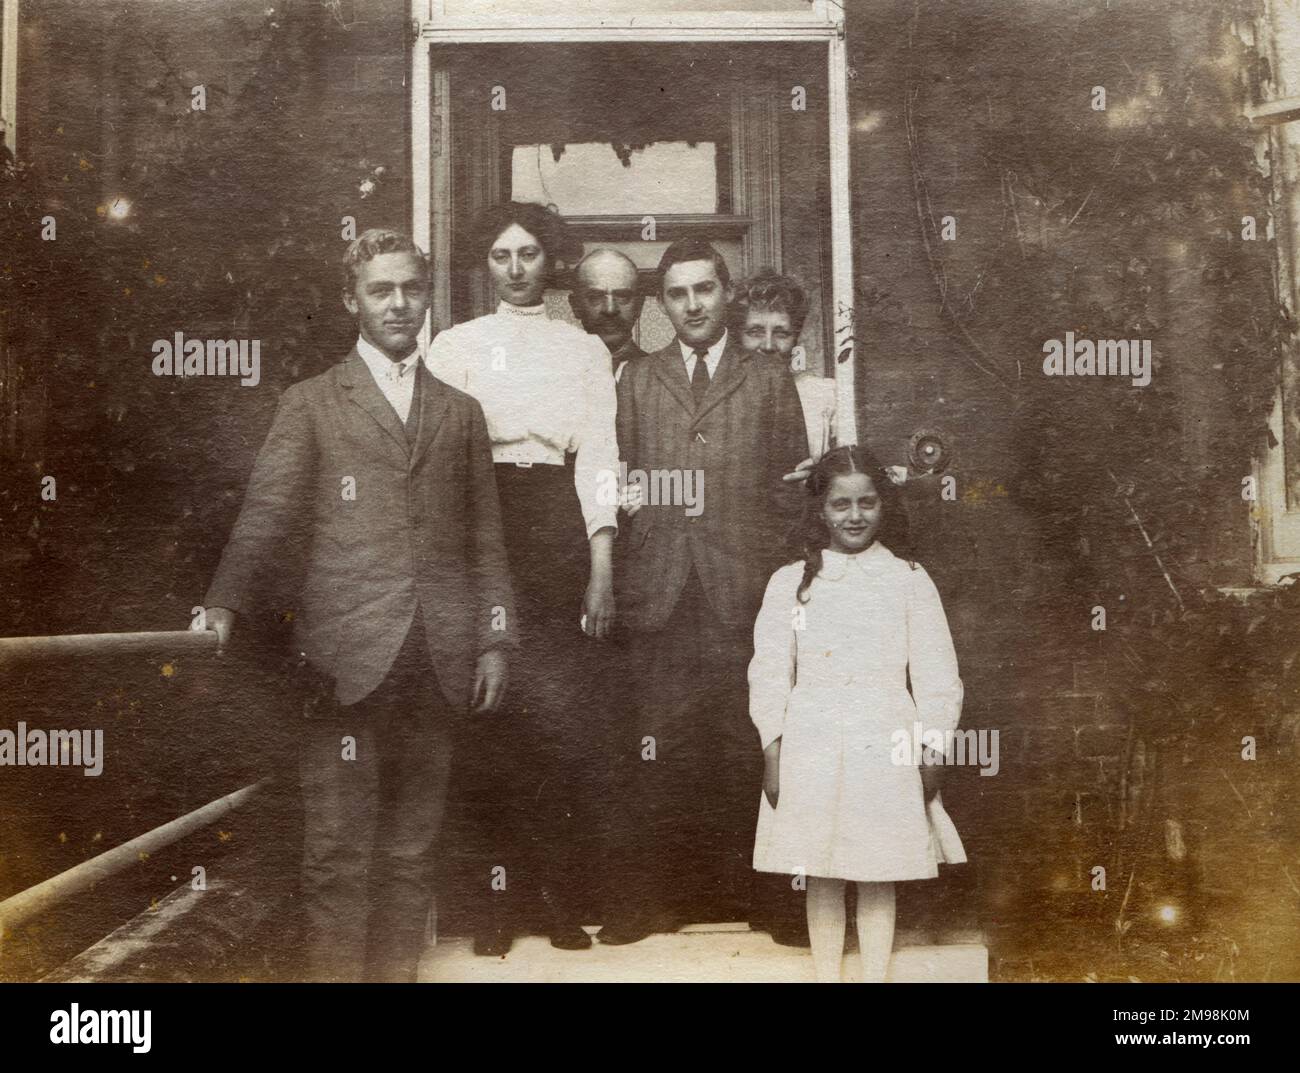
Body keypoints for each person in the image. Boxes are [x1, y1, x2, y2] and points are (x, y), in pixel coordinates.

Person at [197, 228, 515, 983]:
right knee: (338, 852)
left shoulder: (461, 412)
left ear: (426, 295)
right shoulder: (310, 402)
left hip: (440, 657)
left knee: (412, 851)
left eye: (410, 287)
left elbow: (487, 538)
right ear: (353, 300)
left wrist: (498, 641)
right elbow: (266, 513)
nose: (399, 303)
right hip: (340, 660)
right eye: (381, 289)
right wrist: (222, 603)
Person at [601, 239, 808, 944]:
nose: (692, 304)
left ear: (727, 294)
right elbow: (615, 482)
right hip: (659, 587)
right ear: (663, 304)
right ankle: (661, 900)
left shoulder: (768, 379)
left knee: (746, 741)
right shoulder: (635, 378)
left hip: (741, 589)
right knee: (660, 744)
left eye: (705, 290)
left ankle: (768, 901)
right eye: (678, 293)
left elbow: (791, 496)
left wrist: (774, 581)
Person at [425, 201, 618, 956]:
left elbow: (599, 456)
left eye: (530, 252)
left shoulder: (582, 351)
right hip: (481, 519)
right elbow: (439, 461)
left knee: (561, 727)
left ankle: (562, 901)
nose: (515, 266)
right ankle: (494, 908)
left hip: (554, 523)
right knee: (490, 724)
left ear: (552, 260)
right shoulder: (455, 344)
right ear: (486, 262)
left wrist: (599, 566)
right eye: (501, 253)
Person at [748, 445, 967, 982]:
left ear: (883, 506)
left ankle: (875, 977)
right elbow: (770, 671)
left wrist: (933, 747)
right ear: (820, 508)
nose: (854, 516)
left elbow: (939, 675)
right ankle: (827, 976)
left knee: (877, 868)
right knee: (821, 868)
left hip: (885, 735)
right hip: (812, 737)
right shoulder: (791, 583)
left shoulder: (908, 580)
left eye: (867, 503)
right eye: (840, 504)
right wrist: (773, 749)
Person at [733, 267, 837, 462]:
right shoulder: (720, 396)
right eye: (755, 331)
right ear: (737, 337)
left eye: (782, 333)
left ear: (795, 338)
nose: (769, 345)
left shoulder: (824, 397)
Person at [568, 247, 647, 380]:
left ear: (639, 305)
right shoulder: (554, 372)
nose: (610, 309)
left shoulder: (662, 376)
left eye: (622, 296)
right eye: (596, 297)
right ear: (576, 306)